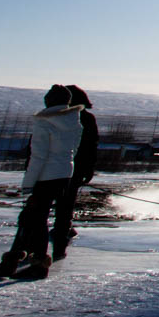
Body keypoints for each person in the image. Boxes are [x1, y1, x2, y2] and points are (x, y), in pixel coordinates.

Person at [0, 85, 84, 280]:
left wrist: (28, 183)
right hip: (63, 175)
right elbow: (74, 150)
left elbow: (38, 156)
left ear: (49, 101)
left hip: (45, 176)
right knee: (30, 217)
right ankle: (12, 261)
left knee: (35, 219)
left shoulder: (45, 122)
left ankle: (37, 263)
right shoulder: (74, 122)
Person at [49, 84, 99, 260]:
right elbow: (91, 147)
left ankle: (34, 249)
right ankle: (60, 241)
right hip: (73, 170)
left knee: (42, 207)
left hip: (51, 170)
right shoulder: (87, 119)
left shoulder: (53, 117)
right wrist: (88, 169)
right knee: (65, 207)